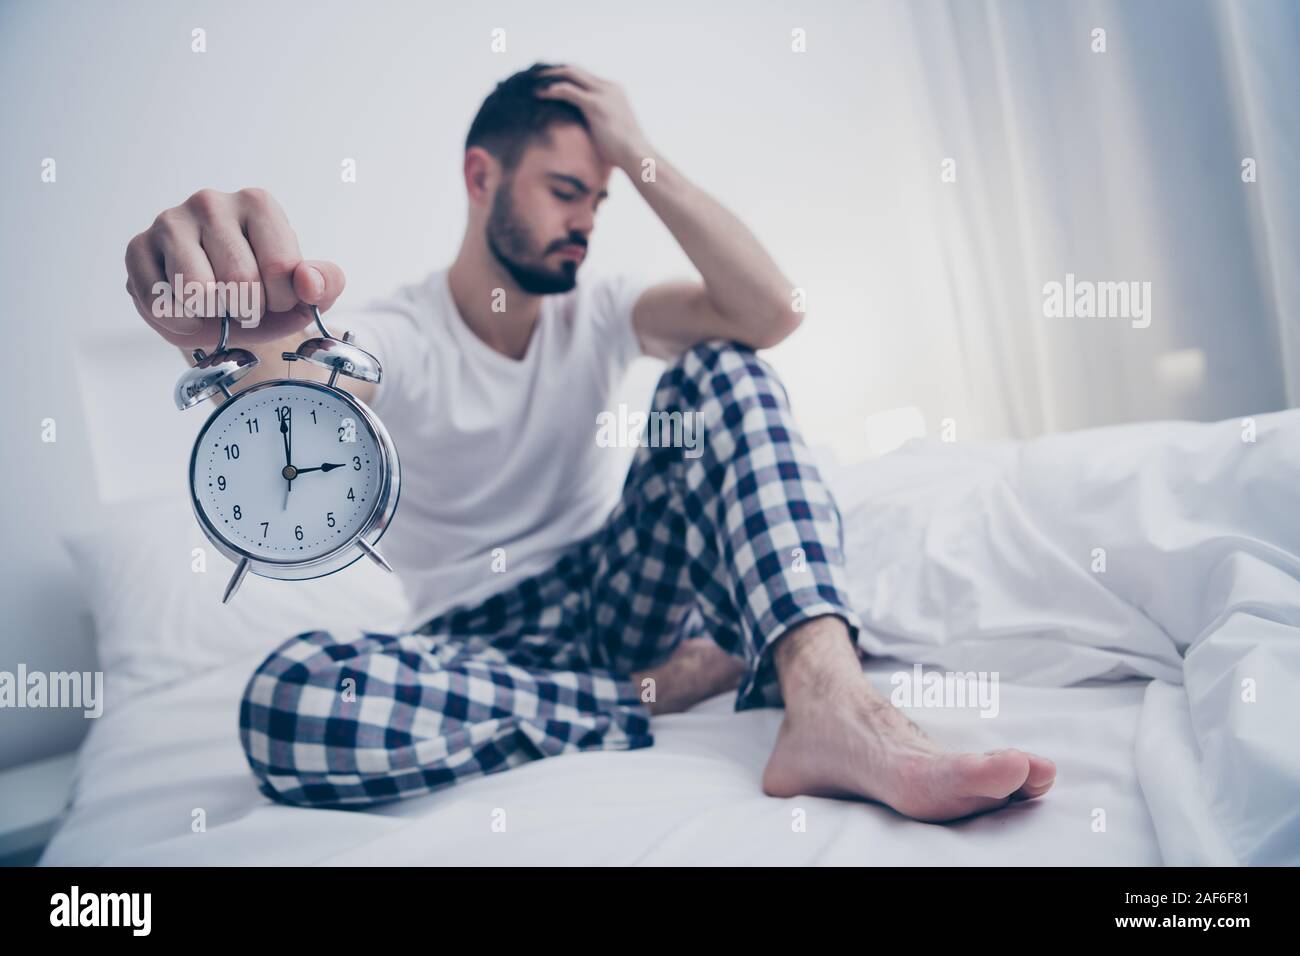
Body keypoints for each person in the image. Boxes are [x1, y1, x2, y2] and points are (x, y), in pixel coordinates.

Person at [124, 62, 1055, 822]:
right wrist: (232, 346)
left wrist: (637, 154)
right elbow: (315, 376)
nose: (585, 221)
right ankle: (670, 686)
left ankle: (832, 702)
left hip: (617, 590)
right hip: (479, 647)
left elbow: (767, 313)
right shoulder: (400, 331)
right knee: (289, 699)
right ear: (481, 176)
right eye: (566, 190)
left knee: (720, 368)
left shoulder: (604, 310)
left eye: (601, 201)